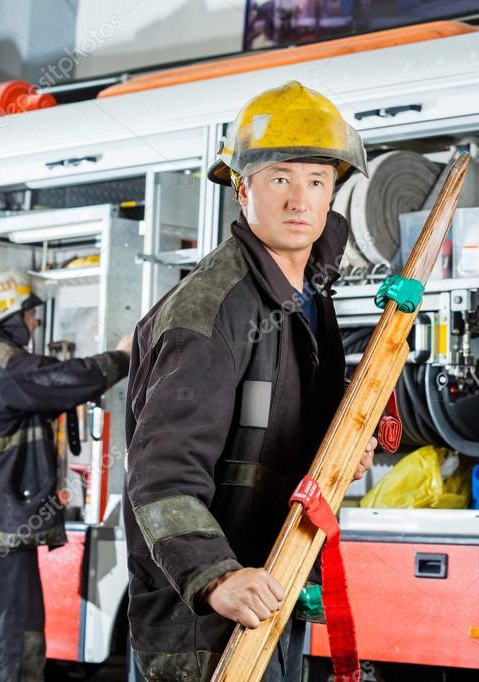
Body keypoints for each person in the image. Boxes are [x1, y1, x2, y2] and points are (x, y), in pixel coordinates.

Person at [124, 81, 376, 682]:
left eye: (317, 181)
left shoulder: (303, 296)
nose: (300, 199)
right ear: (242, 189)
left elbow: (264, 435)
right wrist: (215, 575)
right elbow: (161, 476)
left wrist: (339, 453)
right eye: (279, 178)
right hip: (206, 627)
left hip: (272, 594)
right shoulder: (212, 312)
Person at [0, 269, 132, 682]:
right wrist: (122, 357)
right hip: (1, 536)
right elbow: (61, 381)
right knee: (10, 656)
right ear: (11, 316)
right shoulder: (0, 363)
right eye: (30, 314)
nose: (35, 323)